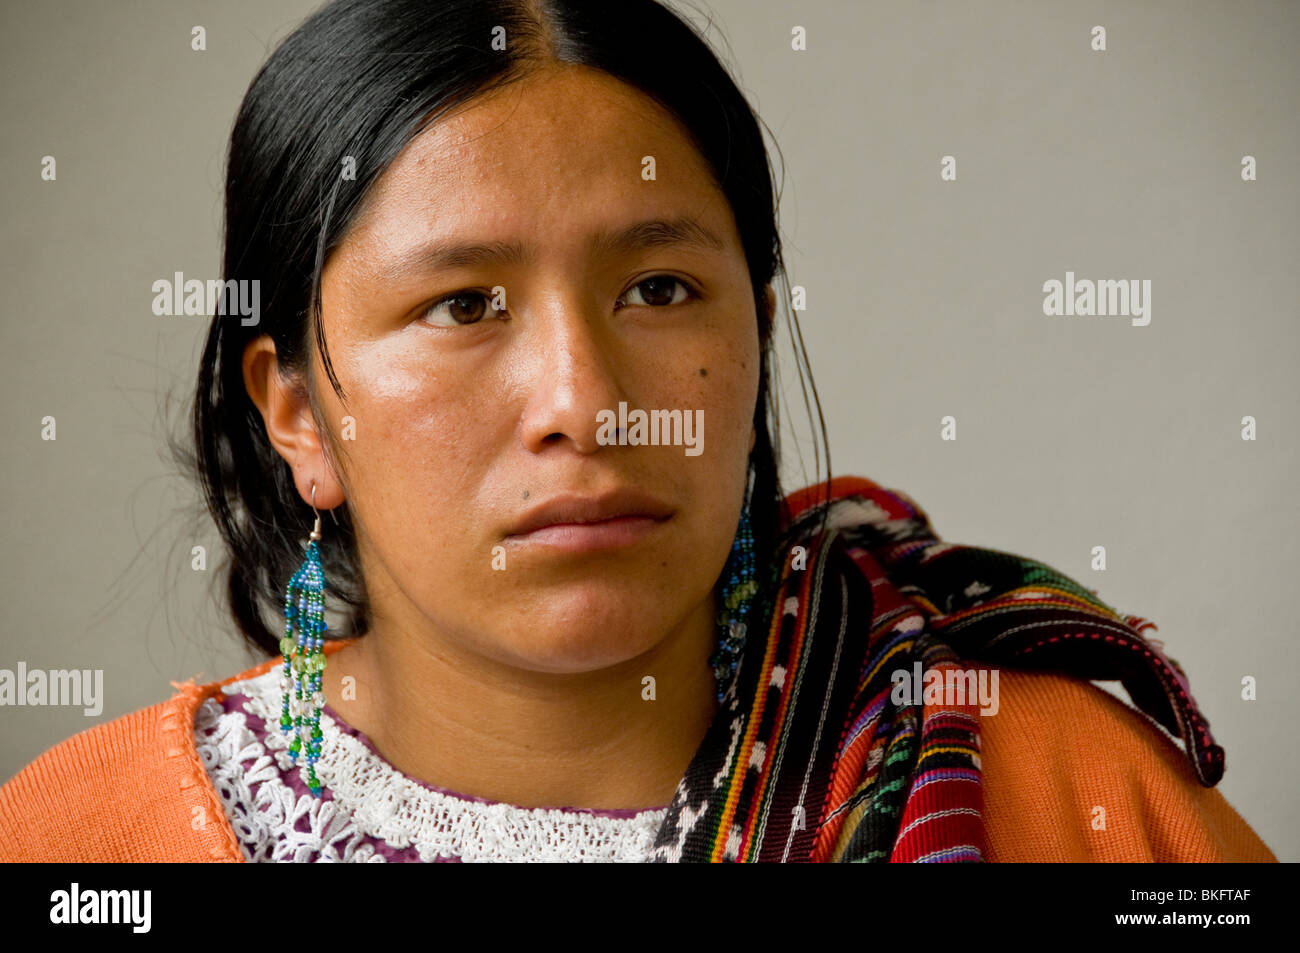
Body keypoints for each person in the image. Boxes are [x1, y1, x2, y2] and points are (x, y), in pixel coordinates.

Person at [0, 0, 1277, 863]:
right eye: (461, 305)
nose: (584, 402)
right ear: (297, 410)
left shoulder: (1069, 796)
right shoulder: (81, 841)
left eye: (658, 291)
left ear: (757, 333)